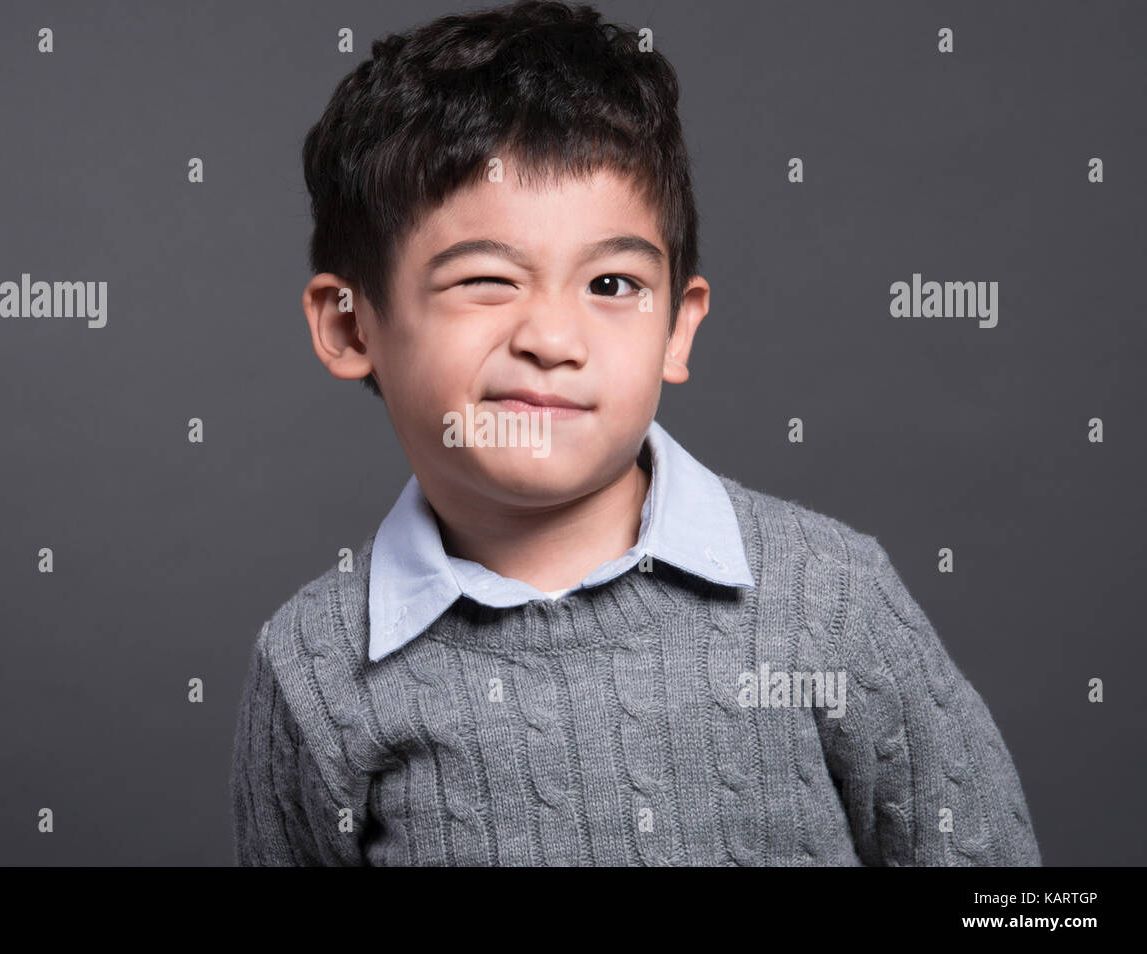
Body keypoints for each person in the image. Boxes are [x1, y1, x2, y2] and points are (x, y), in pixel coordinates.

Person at [229, 0, 1041, 866]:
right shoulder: (314, 666)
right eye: (486, 280)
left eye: (612, 284)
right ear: (351, 325)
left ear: (678, 328)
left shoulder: (830, 603)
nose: (552, 338)